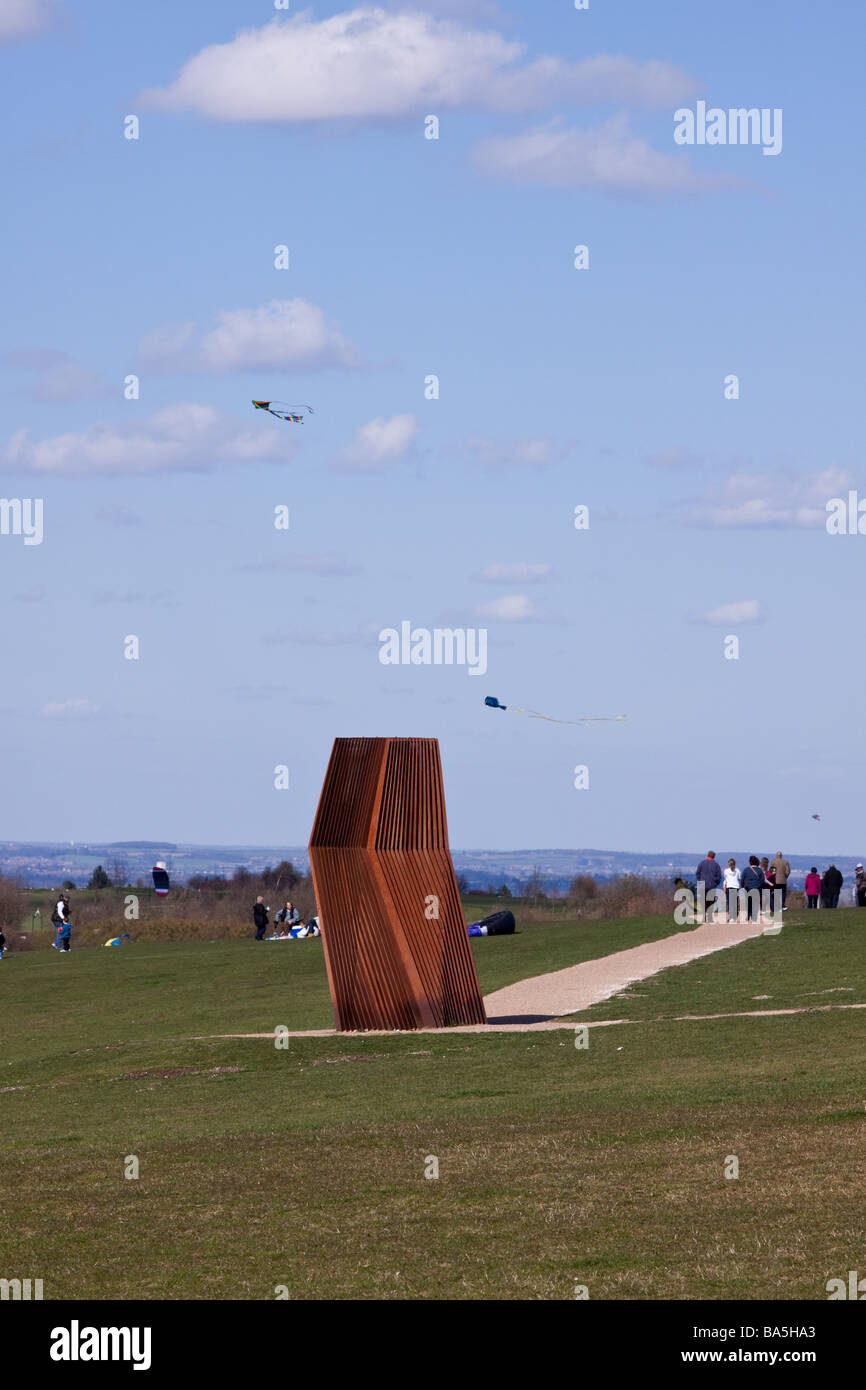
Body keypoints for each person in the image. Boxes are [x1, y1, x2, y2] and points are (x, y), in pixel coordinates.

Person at [739, 856, 768, 922]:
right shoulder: (760, 870)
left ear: (750, 862)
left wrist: (742, 886)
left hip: (748, 888)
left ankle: (748, 915)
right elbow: (762, 880)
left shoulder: (746, 870)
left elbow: (742, 879)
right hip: (757, 889)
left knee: (748, 902)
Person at [696, 851, 723, 921]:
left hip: (702, 885)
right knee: (711, 902)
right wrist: (716, 883)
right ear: (714, 857)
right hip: (712, 885)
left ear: (707, 855)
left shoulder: (701, 863)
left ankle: (703, 916)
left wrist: (699, 882)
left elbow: (697, 874)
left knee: (703, 901)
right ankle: (710, 917)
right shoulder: (716, 865)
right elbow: (719, 876)